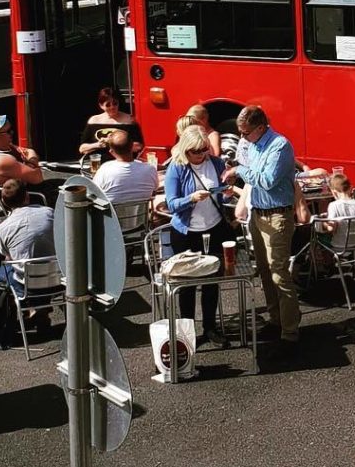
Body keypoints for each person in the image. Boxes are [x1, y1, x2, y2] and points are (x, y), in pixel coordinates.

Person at [222, 104, 300, 355]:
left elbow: (266, 181)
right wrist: (235, 172)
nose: (242, 137)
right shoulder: (250, 143)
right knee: (265, 271)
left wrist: (239, 171)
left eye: (245, 133)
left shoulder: (280, 146)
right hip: (258, 213)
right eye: (240, 132)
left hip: (277, 216)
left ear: (260, 127)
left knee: (279, 273)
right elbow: (246, 169)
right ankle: (276, 320)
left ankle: (290, 331)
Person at [164, 125, 235, 345]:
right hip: (186, 233)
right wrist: (191, 198)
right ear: (186, 150)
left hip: (214, 228)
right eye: (196, 151)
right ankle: (187, 332)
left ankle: (210, 328)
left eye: (205, 149)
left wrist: (227, 193)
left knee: (211, 281)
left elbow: (222, 196)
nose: (202, 154)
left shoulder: (216, 163)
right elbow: (171, 204)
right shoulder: (176, 167)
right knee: (187, 285)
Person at [0, 180, 55, 305]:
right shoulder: (49, 213)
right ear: (27, 196)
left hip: (27, 286)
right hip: (57, 280)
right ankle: (39, 307)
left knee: (2, 272)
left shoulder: (2, 229)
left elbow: (9, 258)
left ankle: (29, 308)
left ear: (3, 202)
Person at [0, 113, 44, 188]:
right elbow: (38, 177)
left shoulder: (0, 146)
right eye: (8, 131)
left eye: (11, 129)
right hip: (27, 194)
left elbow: (29, 151)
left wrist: (30, 160)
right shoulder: (0, 160)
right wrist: (31, 163)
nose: (12, 132)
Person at [94, 129, 159, 203]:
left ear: (111, 152)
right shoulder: (150, 169)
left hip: (112, 210)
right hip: (141, 210)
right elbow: (155, 189)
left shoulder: (105, 169)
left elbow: (93, 193)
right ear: (132, 147)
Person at [79, 86, 141, 158]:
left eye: (115, 103)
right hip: (99, 161)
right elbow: (82, 149)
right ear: (101, 105)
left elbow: (138, 146)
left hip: (123, 161)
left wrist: (115, 143)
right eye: (108, 105)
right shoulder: (94, 120)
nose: (112, 107)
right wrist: (99, 145)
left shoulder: (129, 120)